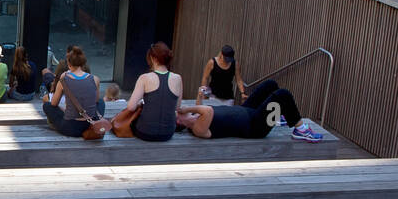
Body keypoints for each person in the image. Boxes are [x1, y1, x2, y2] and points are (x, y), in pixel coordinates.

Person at [178, 79, 323, 142]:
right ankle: (301, 130)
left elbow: (200, 106)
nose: (178, 111)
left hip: (245, 110)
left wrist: (199, 94)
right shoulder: (197, 129)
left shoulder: (195, 116)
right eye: (177, 114)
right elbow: (207, 111)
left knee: (270, 85)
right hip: (255, 127)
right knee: (282, 94)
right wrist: (186, 108)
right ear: (180, 121)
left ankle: (275, 117)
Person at [114, 42, 184, 142]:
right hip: (168, 133)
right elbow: (177, 107)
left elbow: (131, 107)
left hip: (145, 131)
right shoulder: (178, 78)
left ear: (153, 58)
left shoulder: (144, 78)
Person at [42, 46, 108, 138]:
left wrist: (65, 110)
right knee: (101, 101)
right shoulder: (95, 79)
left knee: (47, 105)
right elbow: (96, 101)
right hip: (90, 125)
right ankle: (96, 122)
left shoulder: (64, 78)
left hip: (70, 128)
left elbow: (54, 104)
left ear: (68, 63)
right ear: (83, 63)